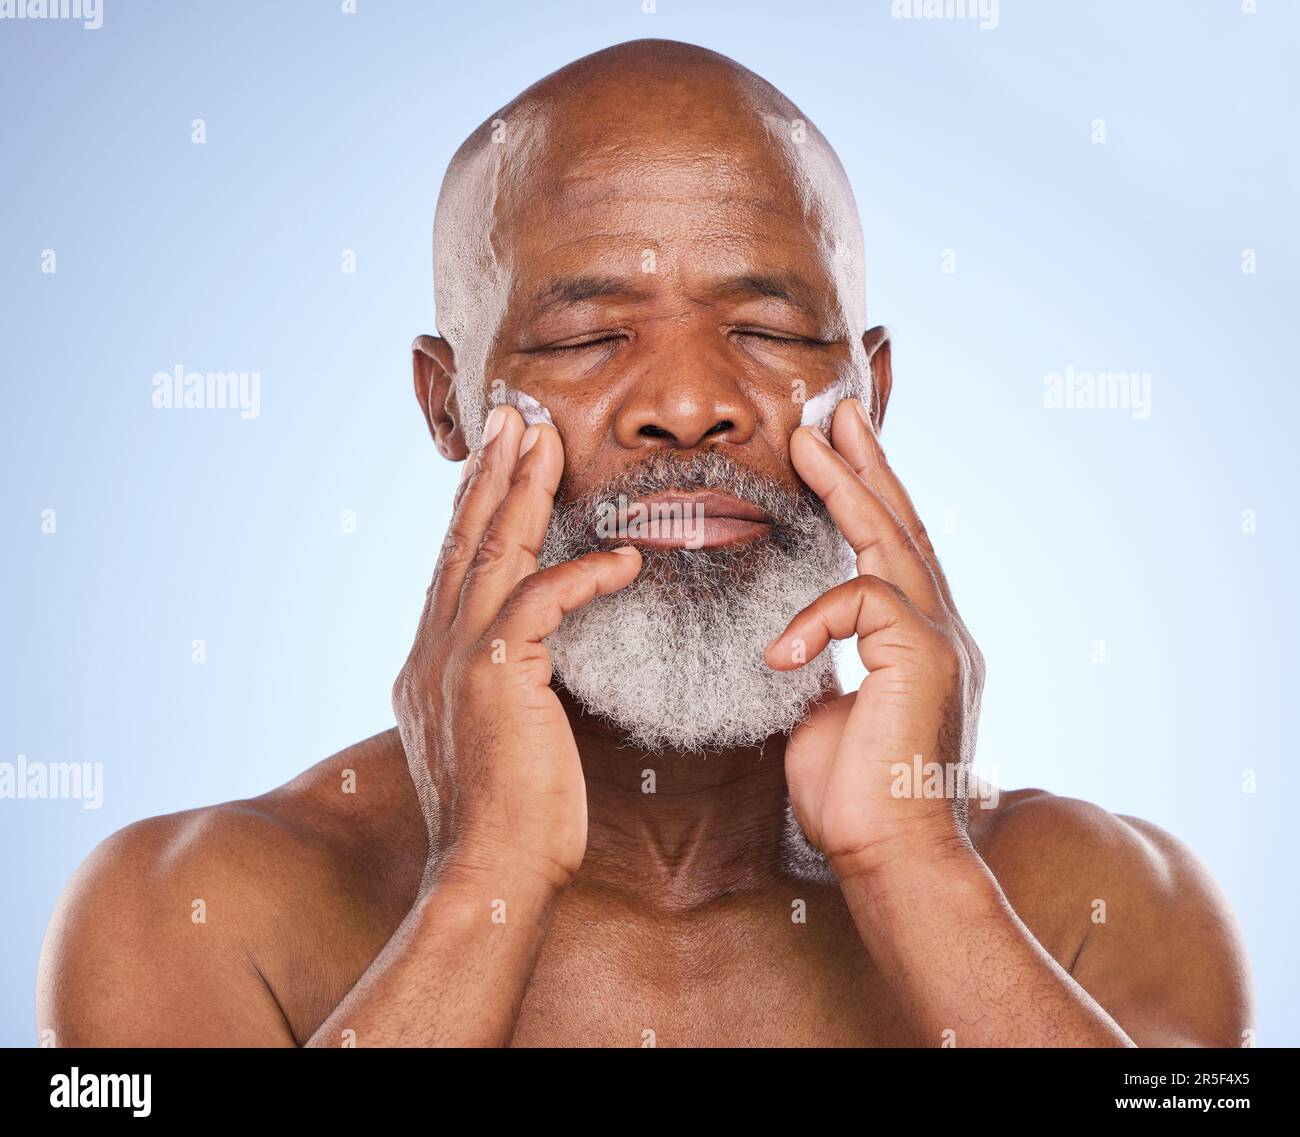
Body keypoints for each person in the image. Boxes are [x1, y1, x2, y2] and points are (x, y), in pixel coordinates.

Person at [36, 38, 1251, 1048]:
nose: (687, 402)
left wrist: (916, 870)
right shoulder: (191, 908)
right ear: (445, 406)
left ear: (868, 395)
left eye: (770, 330)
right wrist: (483, 880)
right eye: (582, 340)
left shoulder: (1105, 902)